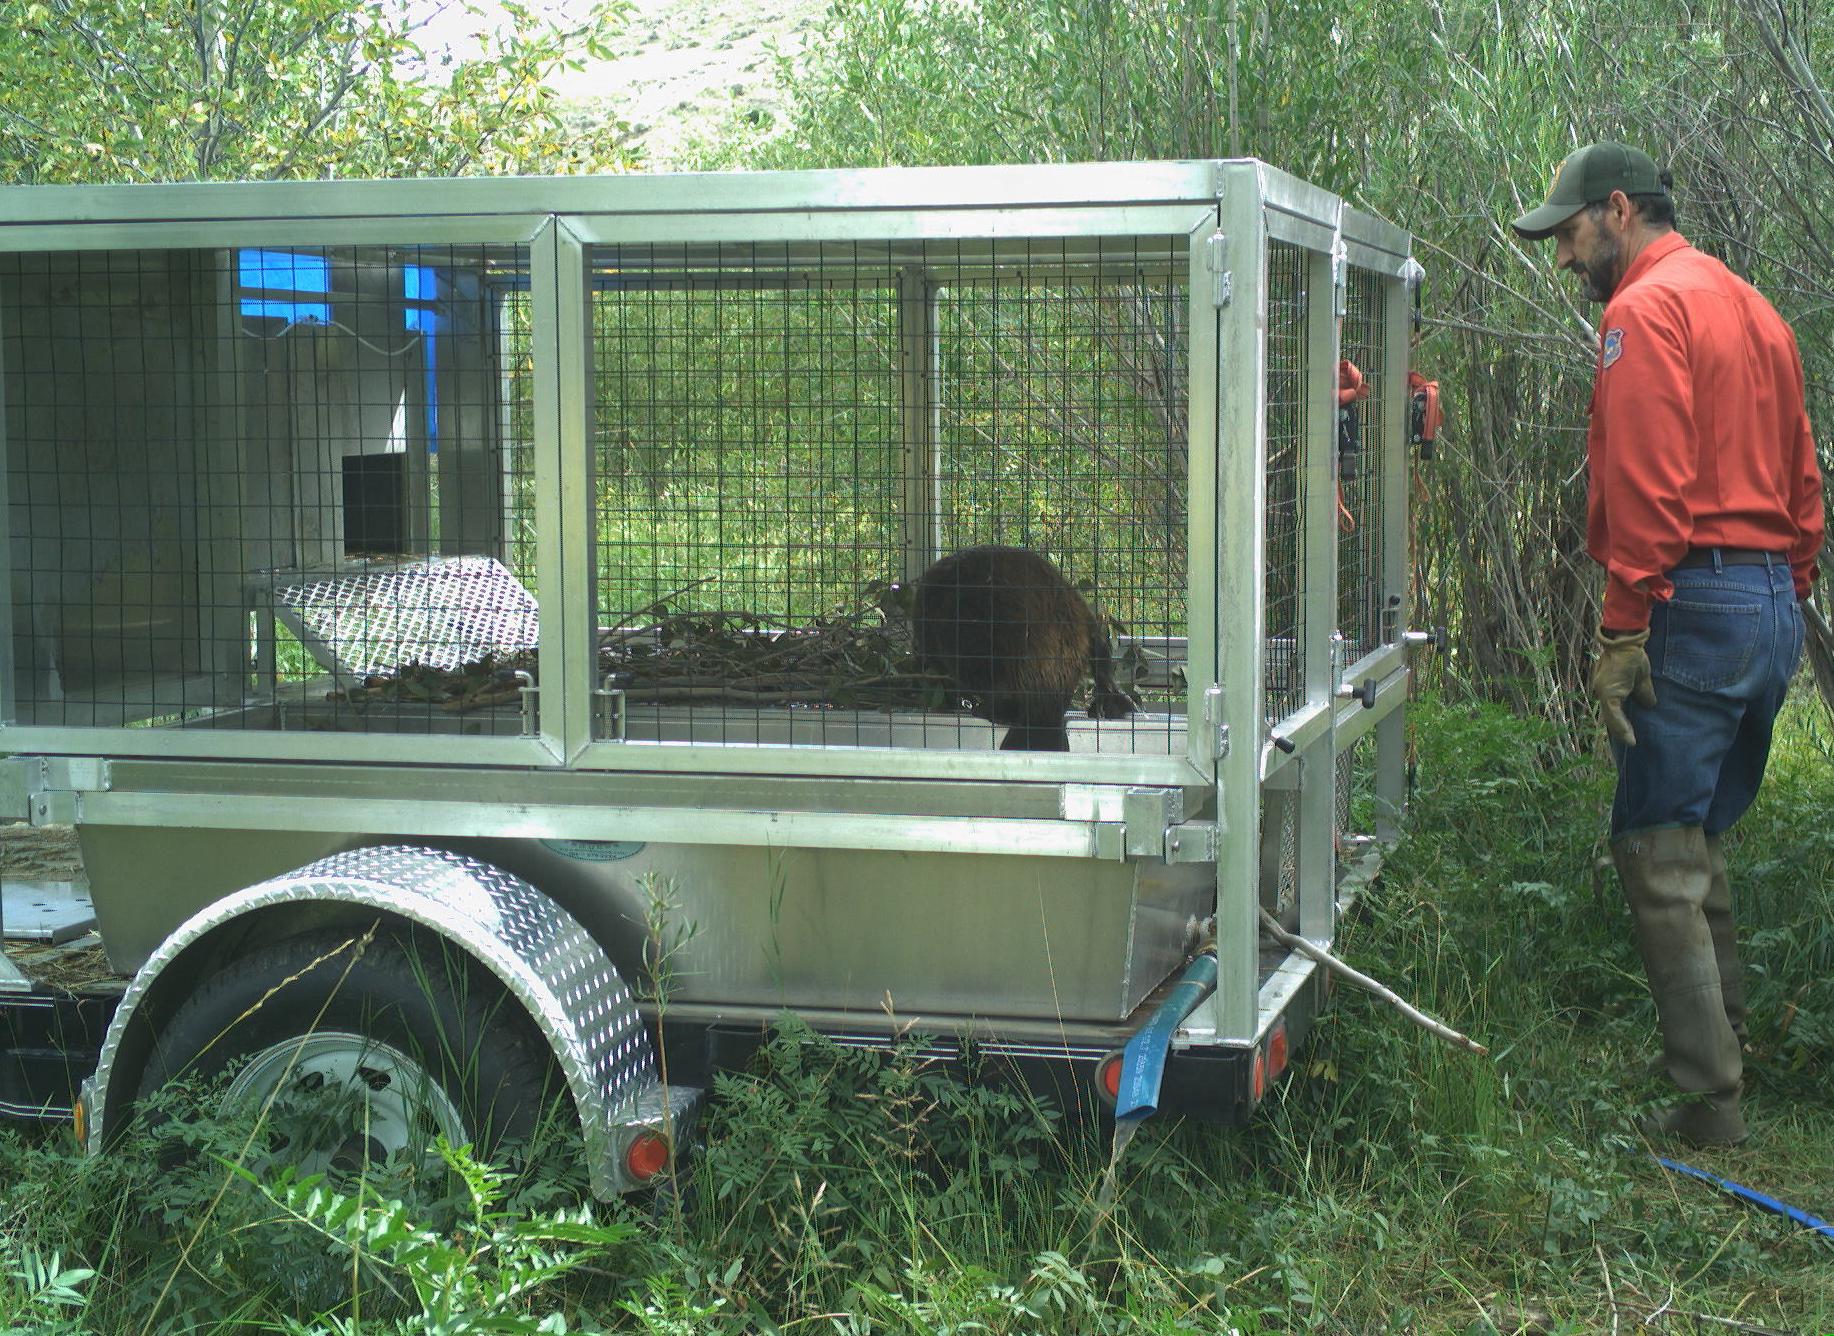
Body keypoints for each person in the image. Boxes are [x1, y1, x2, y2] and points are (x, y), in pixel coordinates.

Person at [1511, 142, 1824, 1146]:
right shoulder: (1752, 306)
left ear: (1616, 210)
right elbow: (1804, 480)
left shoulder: (1642, 312)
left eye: (1568, 233)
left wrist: (1623, 627)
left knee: (1654, 849)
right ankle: (1722, 1051)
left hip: (1692, 600)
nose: (1564, 255)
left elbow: (1649, 482)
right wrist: (1789, 593)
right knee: (1695, 838)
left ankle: (1708, 1105)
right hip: (1771, 597)